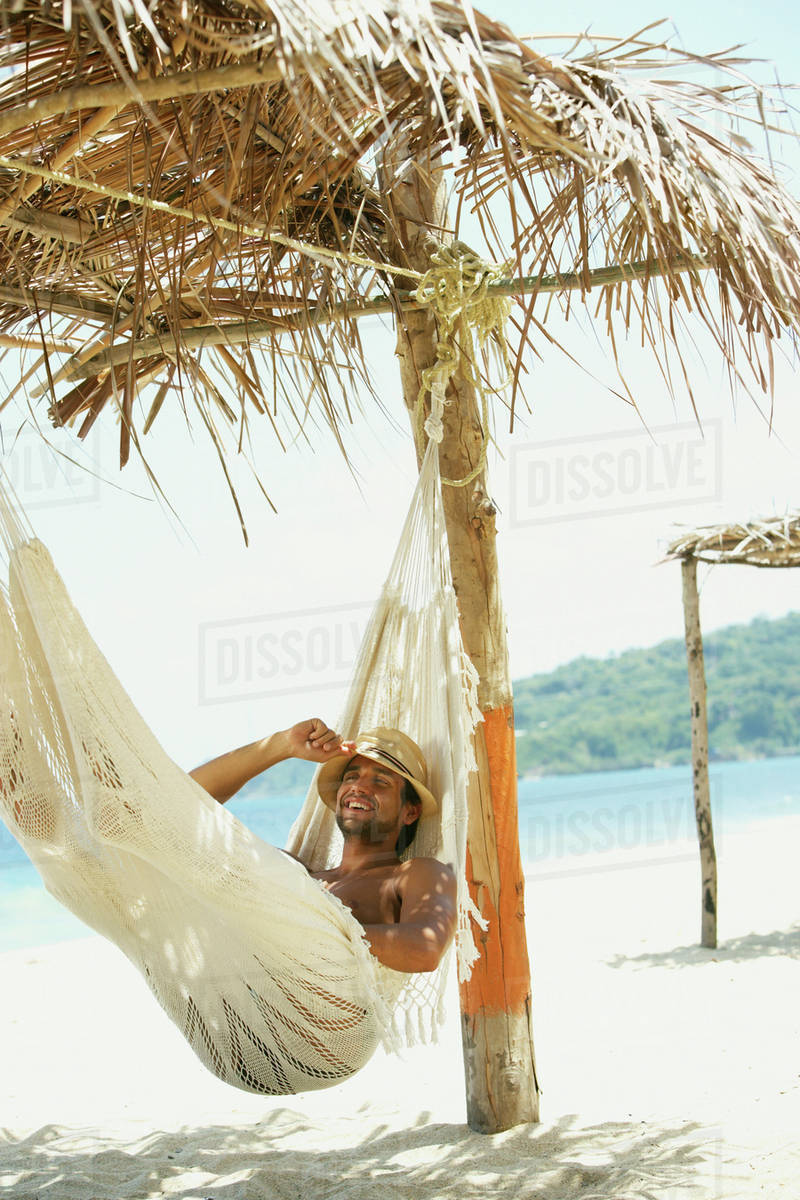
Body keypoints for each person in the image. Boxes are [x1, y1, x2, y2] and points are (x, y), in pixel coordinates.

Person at [189, 718, 457, 974]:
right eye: (351, 777)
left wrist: (307, 931)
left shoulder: (413, 874)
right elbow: (182, 803)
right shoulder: (298, 874)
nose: (358, 787)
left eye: (381, 781)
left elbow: (425, 949)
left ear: (410, 812)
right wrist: (283, 745)